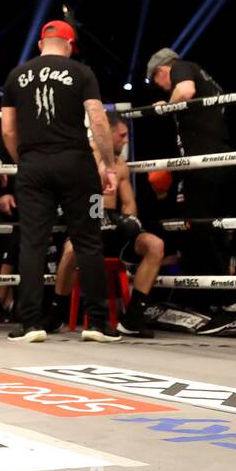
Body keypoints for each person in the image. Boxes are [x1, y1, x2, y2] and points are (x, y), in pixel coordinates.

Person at [0, 21, 121, 342]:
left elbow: (8, 130)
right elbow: (97, 118)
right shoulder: (81, 72)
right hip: (76, 163)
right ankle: (96, 323)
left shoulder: (16, 75)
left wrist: (22, 159)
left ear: (41, 43)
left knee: (33, 243)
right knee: (88, 241)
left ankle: (30, 324)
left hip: (33, 164)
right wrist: (108, 165)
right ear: (68, 45)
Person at [146, 48, 236, 333]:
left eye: (156, 82)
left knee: (199, 229)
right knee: (204, 229)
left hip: (206, 165)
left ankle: (228, 304)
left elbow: (184, 91)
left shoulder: (182, 68)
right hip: (209, 163)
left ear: (162, 71)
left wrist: (166, 106)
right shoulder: (204, 76)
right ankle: (210, 299)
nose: (160, 87)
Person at [54, 112, 165, 337]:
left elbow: (128, 204)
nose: (126, 141)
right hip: (85, 220)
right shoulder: (80, 157)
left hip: (113, 225)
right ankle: (57, 313)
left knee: (155, 245)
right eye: (122, 135)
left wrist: (130, 221)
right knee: (71, 250)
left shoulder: (120, 165)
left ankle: (133, 318)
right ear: (106, 132)